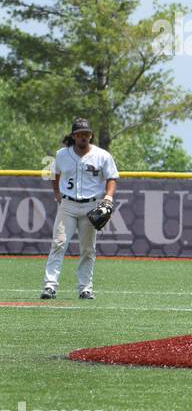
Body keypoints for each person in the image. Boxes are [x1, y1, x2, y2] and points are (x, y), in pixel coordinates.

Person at [41, 118, 118, 300]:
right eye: (79, 134)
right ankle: (49, 286)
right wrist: (57, 194)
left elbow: (112, 178)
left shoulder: (102, 155)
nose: (83, 137)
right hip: (67, 205)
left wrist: (108, 197)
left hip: (91, 206)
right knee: (59, 244)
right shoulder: (61, 154)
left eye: (86, 134)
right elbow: (54, 174)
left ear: (91, 135)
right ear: (74, 136)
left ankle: (85, 288)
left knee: (88, 249)